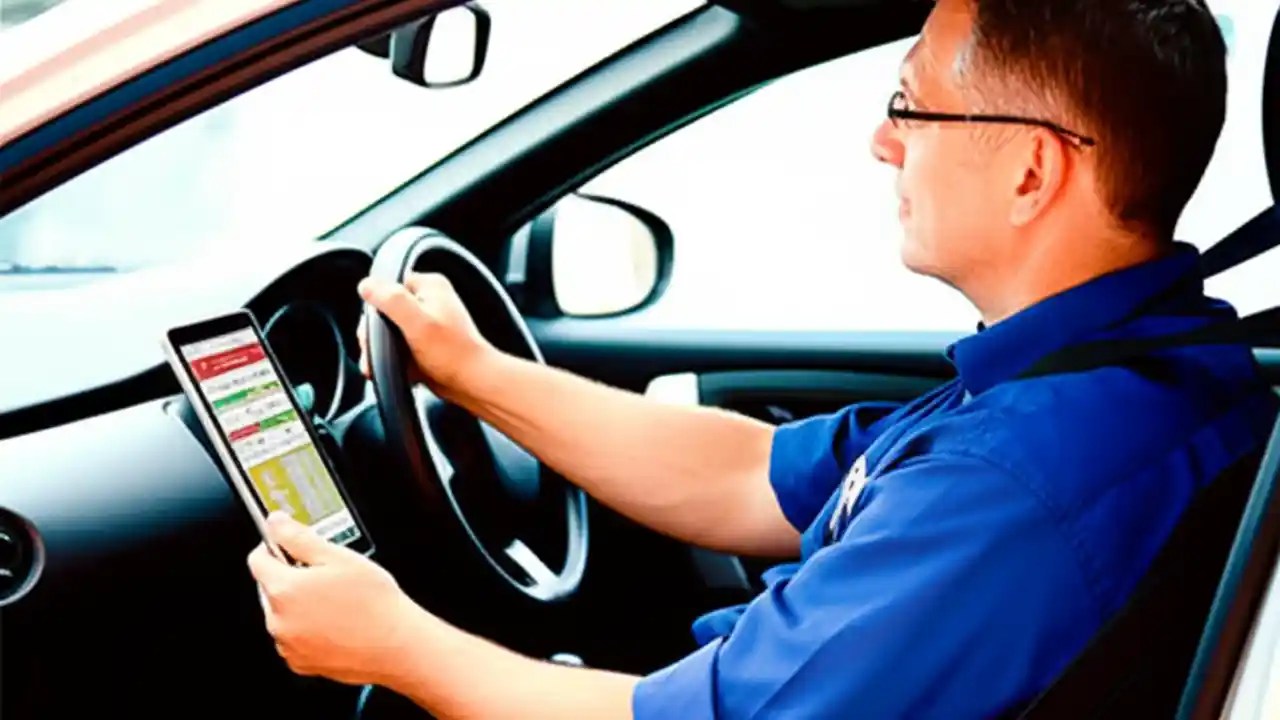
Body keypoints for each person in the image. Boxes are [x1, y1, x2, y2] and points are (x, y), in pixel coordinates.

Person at [246, 0, 1280, 717]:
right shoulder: (1147, 366)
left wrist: (394, 647)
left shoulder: (1013, 479)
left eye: (908, 104)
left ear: (1027, 170)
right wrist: (474, 373)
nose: (883, 143)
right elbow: (747, 474)